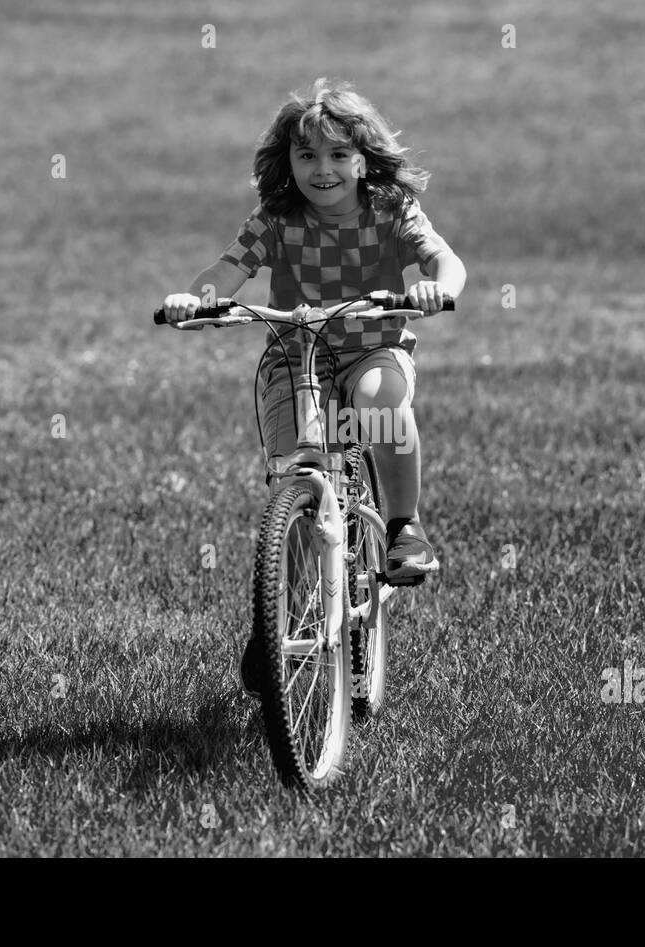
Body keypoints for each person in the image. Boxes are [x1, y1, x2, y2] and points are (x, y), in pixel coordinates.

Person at [160, 77, 467, 697]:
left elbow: (443, 259)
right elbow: (229, 267)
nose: (321, 170)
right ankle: (278, 617)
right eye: (306, 156)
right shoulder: (276, 219)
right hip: (292, 355)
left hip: (370, 347)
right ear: (287, 163)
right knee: (297, 474)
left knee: (380, 403)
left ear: (362, 159)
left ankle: (404, 525)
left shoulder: (390, 209)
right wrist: (202, 297)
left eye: (336, 155)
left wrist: (441, 287)